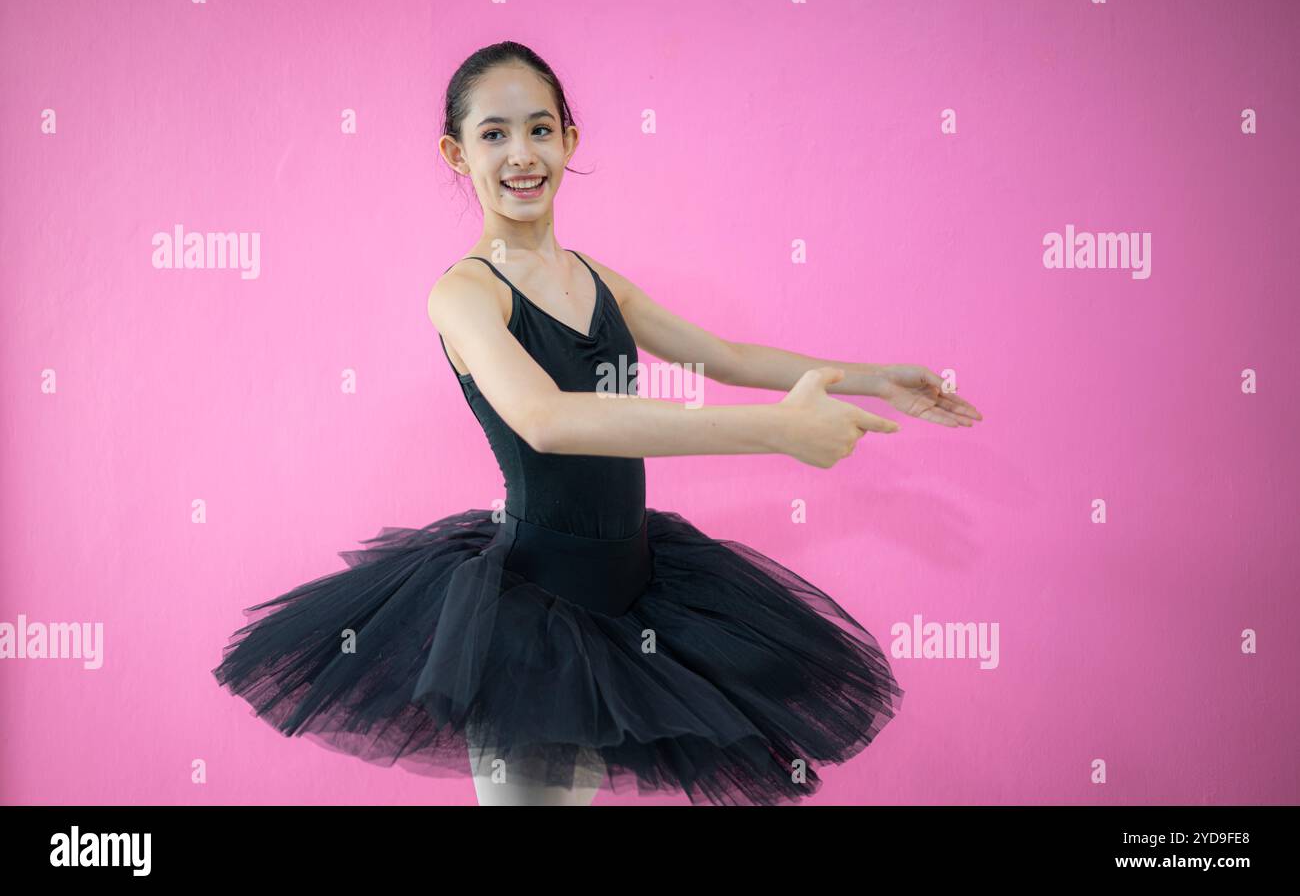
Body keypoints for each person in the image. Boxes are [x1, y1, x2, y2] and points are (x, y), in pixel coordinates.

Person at [212, 40, 983, 806]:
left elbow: (725, 355)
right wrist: (776, 430)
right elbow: (546, 420)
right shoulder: (464, 294)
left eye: (540, 129)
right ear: (455, 152)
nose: (522, 154)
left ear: (570, 140)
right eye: (494, 133)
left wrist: (877, 379)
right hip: (534, 606)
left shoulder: (595, 279)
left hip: (634, 584)